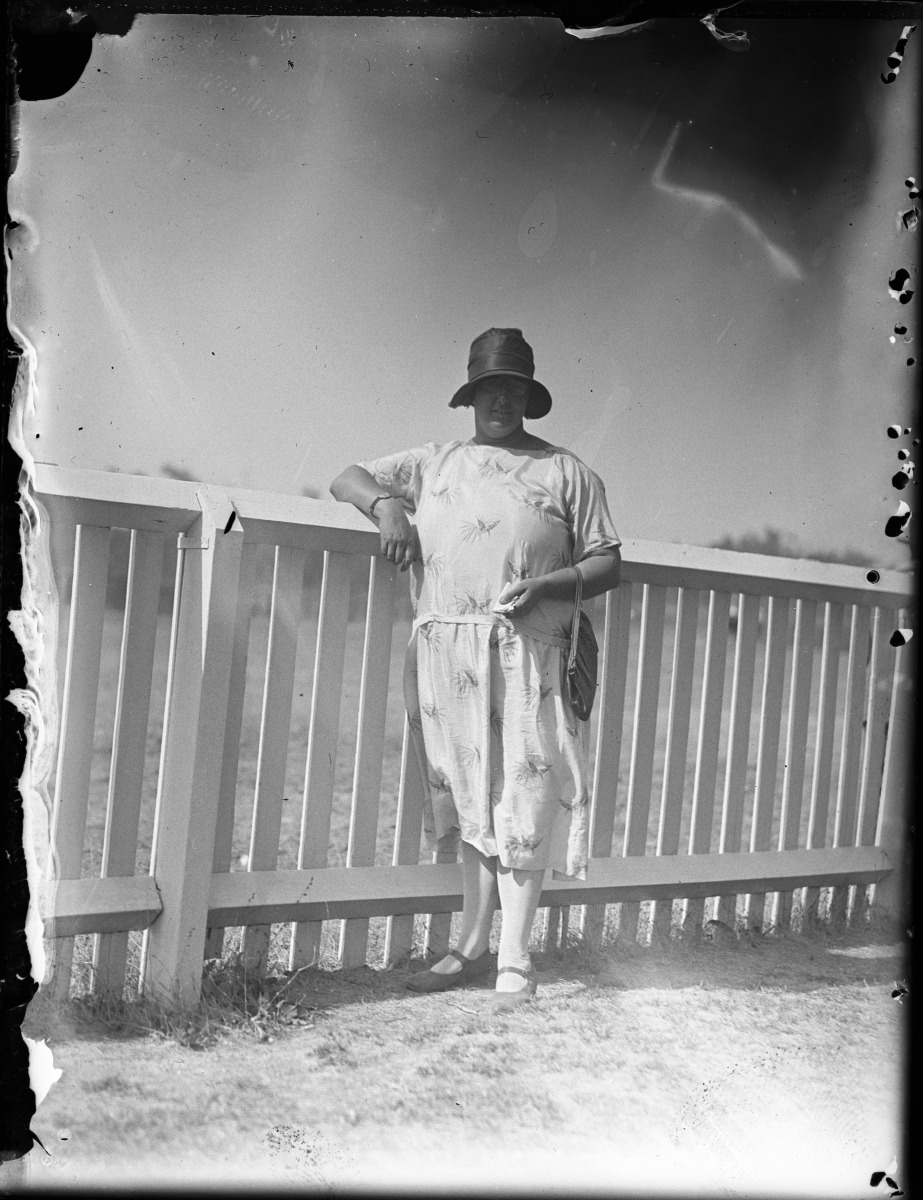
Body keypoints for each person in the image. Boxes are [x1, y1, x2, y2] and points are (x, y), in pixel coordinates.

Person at [330, 328, 621, 1011]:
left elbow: (609, 559)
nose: (501, 399)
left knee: (522, 799)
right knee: (469, 803)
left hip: (526, 654)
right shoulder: (435, 461)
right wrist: (387, 505)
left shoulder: (565, 472)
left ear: (528, 396)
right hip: (446, 656)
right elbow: (345, 475)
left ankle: (514, 956)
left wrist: (550, 585)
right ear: (470, 395)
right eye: (489, 387)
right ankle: (469, 943)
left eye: (513, 388)